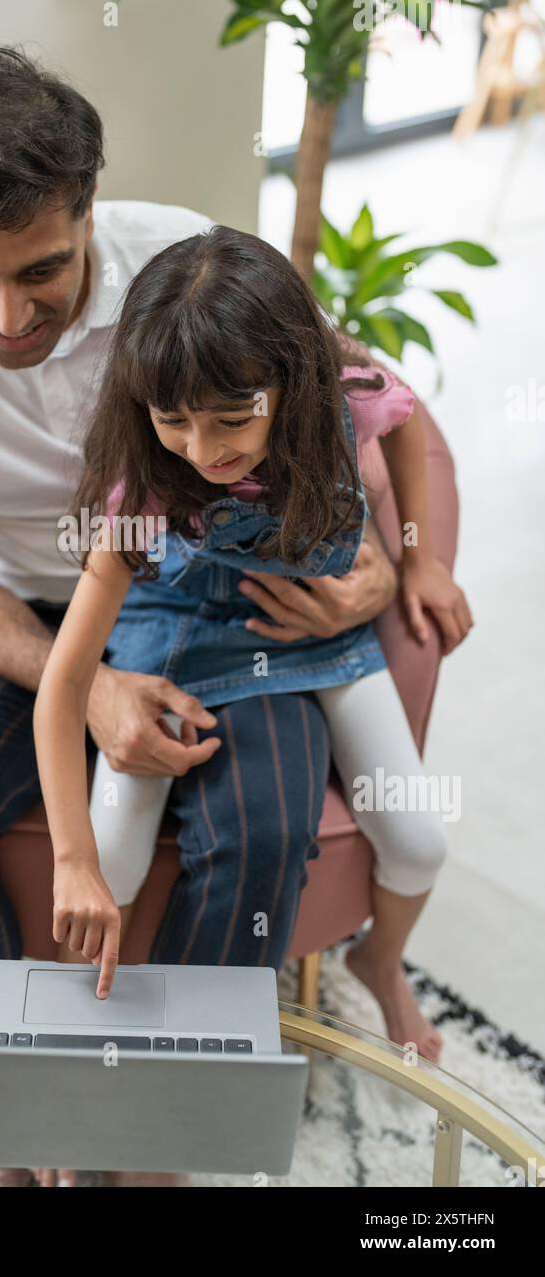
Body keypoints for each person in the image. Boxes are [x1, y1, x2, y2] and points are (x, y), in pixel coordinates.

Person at [0, 46, 402, 1186]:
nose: (6, 313)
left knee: (263, 830)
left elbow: (334, 392)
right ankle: (2, 1112)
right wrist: (84, 687)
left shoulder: (177, 259)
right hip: (6, 603)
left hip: (212, 598)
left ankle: (156, 1136)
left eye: (41, 268)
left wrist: (378, 558)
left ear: (91, 207)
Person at [34, 225, 474, 1072]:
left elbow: (408, 416)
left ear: (293, 380)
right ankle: (81, 1031)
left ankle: (378, 961)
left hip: (316, 627)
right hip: (177, 628)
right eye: (174, 423)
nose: (203, 452)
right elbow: (64, 687)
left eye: (233, 420)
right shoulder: (140, 485)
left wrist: (421, 557)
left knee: (421, 841)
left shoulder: (342, 394)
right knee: (113, 854)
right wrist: (72, 864)